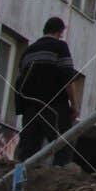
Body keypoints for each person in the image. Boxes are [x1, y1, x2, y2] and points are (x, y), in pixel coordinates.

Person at [12, 16, 77, 162]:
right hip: (54, 106)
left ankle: (20, 176)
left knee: (27, 151)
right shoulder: (60, 47)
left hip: (30, 109)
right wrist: (74, 105)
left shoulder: (28, 51)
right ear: (60, 32)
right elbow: (68, 78)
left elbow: (19, 81)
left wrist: (22, 108)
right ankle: (59, 175)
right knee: (63, 146)